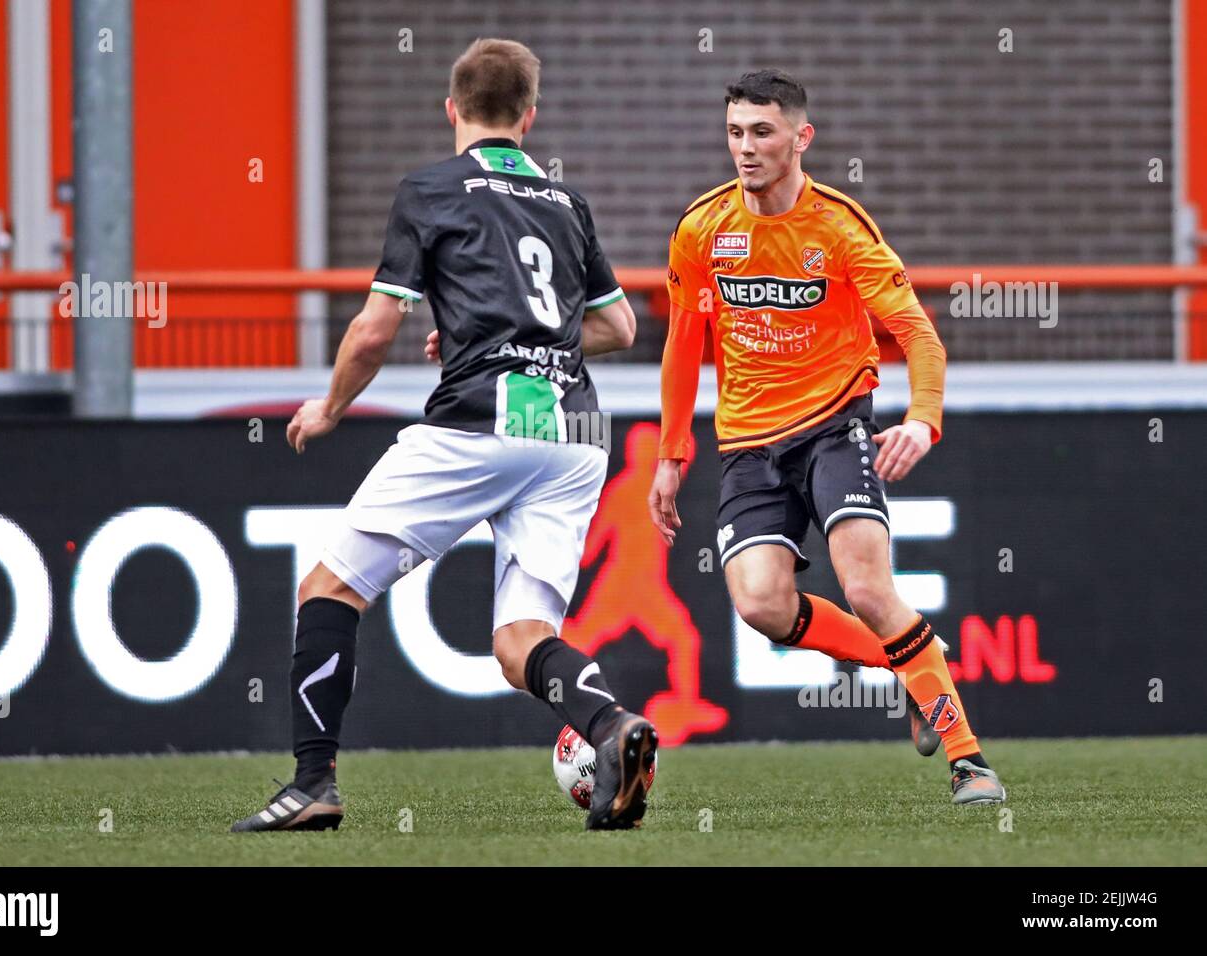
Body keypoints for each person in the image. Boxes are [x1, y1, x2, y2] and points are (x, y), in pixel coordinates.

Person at [232, 38, 657, 833]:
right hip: (572, 435)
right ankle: (611, 729)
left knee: (327, 588)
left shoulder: (430, 189)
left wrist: (328, 406)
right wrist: (497, 338)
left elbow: (372, 330)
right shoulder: (568, 204)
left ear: (451, 108)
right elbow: (619, 326)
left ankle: (312, 784)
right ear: (530, 117)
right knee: (521, 641)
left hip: (477, 424)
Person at [648, 69, 1005, 805]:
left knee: (870, 589)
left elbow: (918, 335)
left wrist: (922, 417)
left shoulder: (840, 227)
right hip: (748, 444)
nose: (745, 148)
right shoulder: (701, 230)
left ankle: (969, 760)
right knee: (760, 607)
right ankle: (913, 663)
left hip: (836, 427)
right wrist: (672, 455)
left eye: (762, 132)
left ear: (800, 138)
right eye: (735, 132)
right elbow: (684, 345)